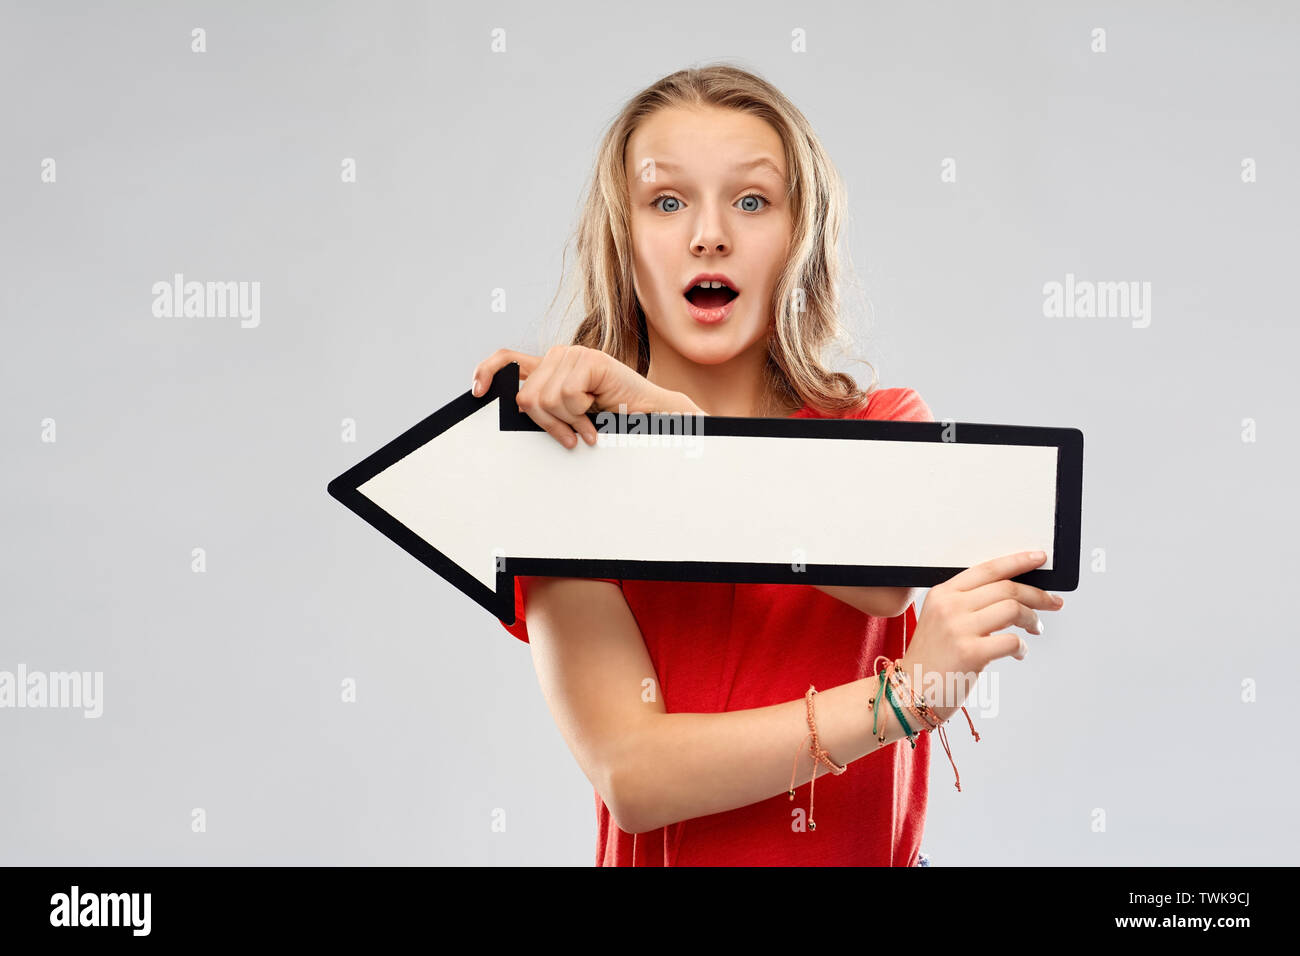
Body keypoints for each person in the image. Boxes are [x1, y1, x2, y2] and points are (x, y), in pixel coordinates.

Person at [469, 64, 1062, 866]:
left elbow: (880, 574)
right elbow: (635, 775)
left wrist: (689, 444)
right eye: (667, 201)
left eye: (752, 201)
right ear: (625, 241)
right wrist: (900, 700)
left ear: (799, 237)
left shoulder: (885, 425)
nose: (709, 233)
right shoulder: (569, 461)